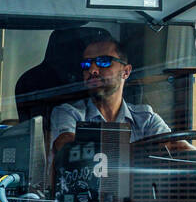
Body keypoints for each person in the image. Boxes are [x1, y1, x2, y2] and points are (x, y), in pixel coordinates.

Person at [49, 38, 184, 154]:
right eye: (87, 64)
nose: (92, 70)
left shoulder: (145, 119)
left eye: (104, 62)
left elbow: (179, 149)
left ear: (126, 71)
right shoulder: (70, 113)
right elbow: (67, 146)